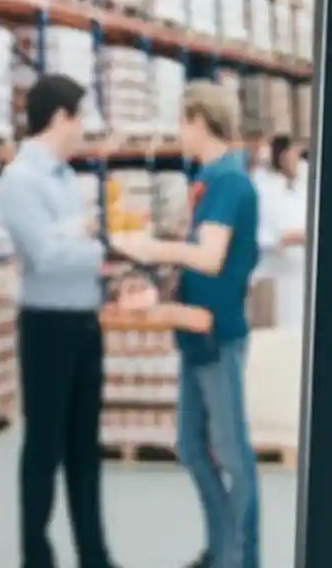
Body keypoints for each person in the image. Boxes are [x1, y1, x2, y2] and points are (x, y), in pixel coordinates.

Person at [112, 83, 261, 568]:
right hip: (194, 330)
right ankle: (221, 548)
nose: (178, 131)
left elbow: (210, 257)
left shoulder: (229, 182)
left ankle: (241, 557)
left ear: (199, 120)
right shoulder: (206, 181)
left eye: (181, 121)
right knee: (192, 446)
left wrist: (152, 247)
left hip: (218, 333)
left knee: (233, 456)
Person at [0, 75, 119, 568]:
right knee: (44, 448)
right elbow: (45, 256)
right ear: (59, 117)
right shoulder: (20, 180)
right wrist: (92, 244)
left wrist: (82, 241)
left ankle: (95, 556)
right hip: (46, 326)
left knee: (85, 449)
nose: (83, 128)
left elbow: (73, 244)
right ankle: (36, 556)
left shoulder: (66, 178)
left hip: (85, 322)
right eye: (80, 117)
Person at [254, 134, 309, 328]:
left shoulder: (302, 180)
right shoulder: (263, 187)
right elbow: (266, 234)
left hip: (304, 272)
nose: (297, 160)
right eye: (293, 154)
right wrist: (292, 238)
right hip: (275, 275)